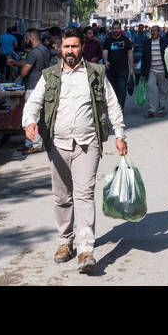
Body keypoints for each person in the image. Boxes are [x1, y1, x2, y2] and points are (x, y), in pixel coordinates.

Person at [22, 27, 128, 275]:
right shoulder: (49, 75)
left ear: (82, 47)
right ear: (59, 47)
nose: (70, 51)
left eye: (75, 46)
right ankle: (64, 242)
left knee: (84, 195)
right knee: (62, 197)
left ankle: (85, 249)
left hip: (87, 144)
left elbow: (112, 105)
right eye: (66, 47)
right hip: (57, 145)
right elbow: (35, 101)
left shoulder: (96, 73)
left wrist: (120, 134)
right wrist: (29, 121)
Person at [103, 21, 134, 110]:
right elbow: (105, 52)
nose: (115, 30)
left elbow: (130, 54)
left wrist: (131, 68)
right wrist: (105, 61)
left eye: (117, 28)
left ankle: (120, 107)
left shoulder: (125, 40)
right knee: (113, 89)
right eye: (114, 28)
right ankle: (115, 106)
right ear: (111, 29)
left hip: (123, 69)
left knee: (122, 88)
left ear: (120, 29)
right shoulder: (108, 40)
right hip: (111, 69)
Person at [144, 25, 168, 118]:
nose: (153, 33)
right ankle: (152, 109)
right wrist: (143, 73)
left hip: (163, 70)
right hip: (152, 70)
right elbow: (144, 57)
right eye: (152, 31)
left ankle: (161, 109)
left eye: (155, 31)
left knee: (164, 91)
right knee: (152, 89)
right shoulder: (147, 43)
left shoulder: (165, 42)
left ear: (159, 32)